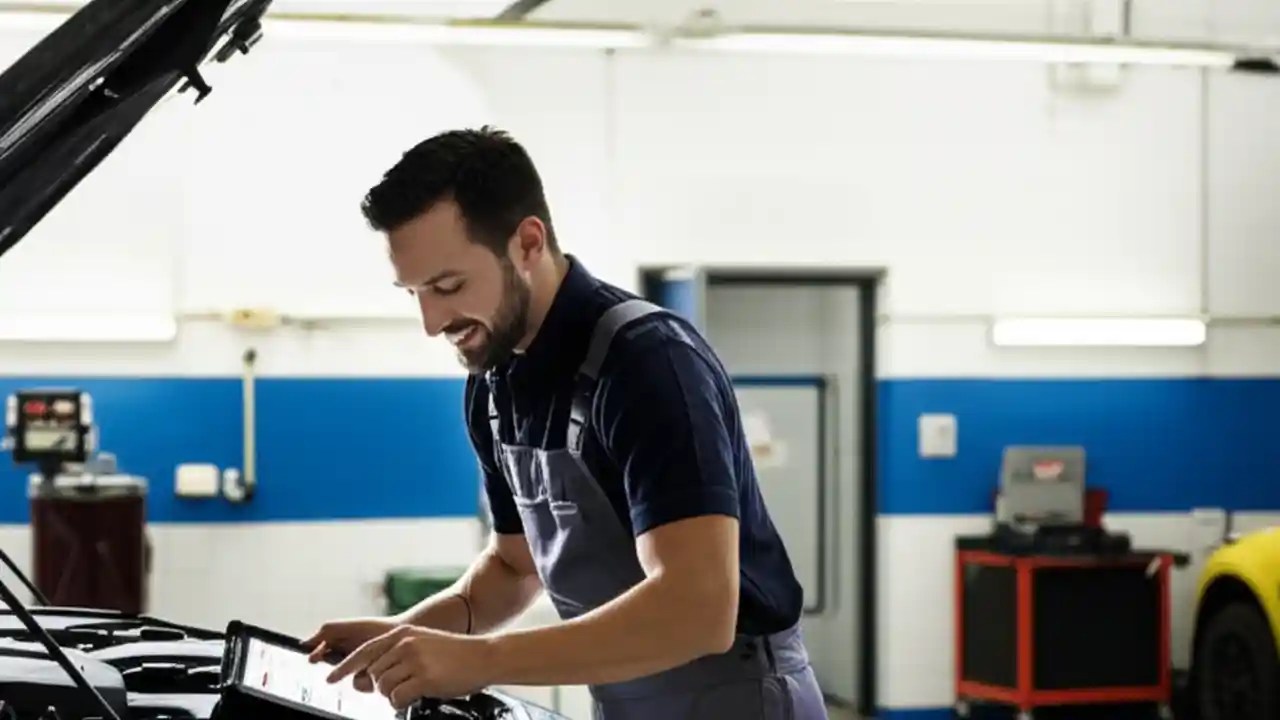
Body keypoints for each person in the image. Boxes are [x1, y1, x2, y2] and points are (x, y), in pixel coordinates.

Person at [307, 126, 828, 719]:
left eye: (449, 286)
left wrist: (480, 660)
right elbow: (511, 568)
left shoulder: (648, 363)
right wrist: (401, 640)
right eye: (415, 293)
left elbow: (698, 609)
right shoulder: (492, 385)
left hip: (738, 699)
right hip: (623, 697)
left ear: (528, 243)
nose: (432, 321)